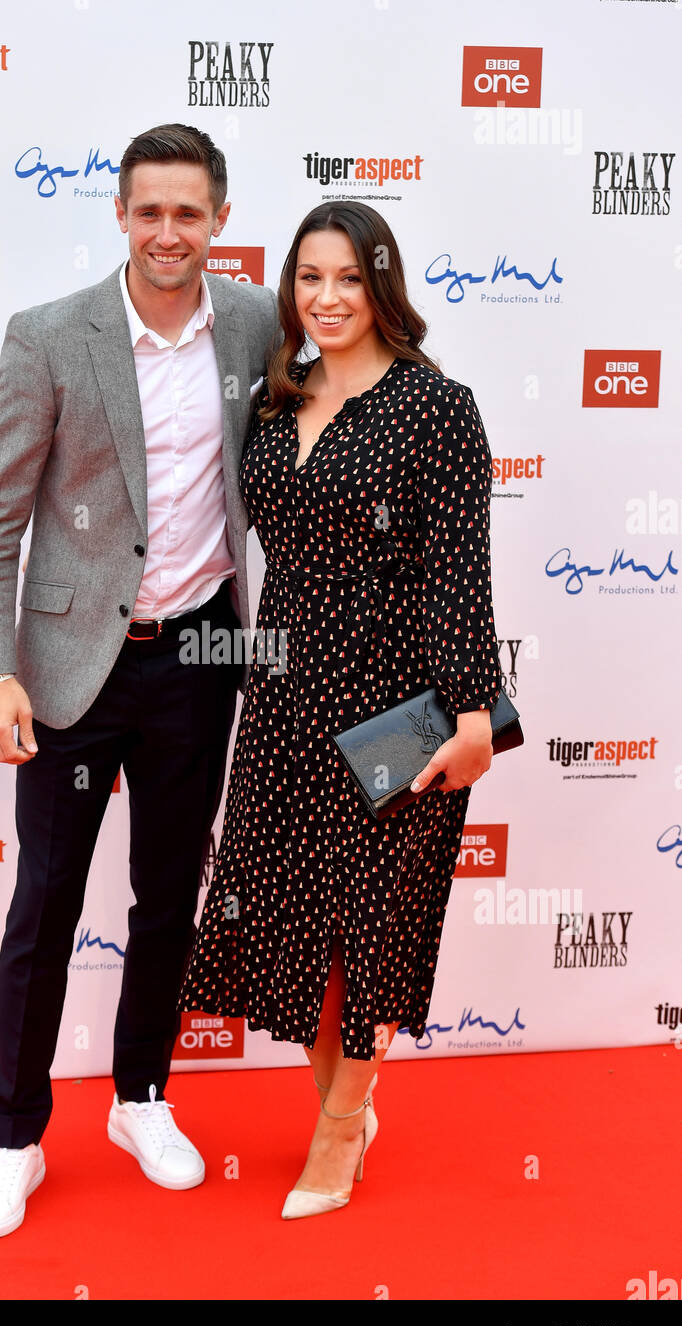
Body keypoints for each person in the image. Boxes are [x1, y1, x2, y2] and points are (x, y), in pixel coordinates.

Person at [0, 123, 277, 1238]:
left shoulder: (254, 323)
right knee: (44, 904)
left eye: (189, 212)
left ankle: (142, 1096)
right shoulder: (49, 338)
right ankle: (14, 1136)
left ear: (220, 221)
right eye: (150, 210)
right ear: (120, 215)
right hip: (69, 668)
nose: (168, 231)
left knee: (166, 896)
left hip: (199, 658)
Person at [178, 200, 503, 1220]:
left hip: (396, 702)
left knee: (371, 920)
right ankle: (346, 1106)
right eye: (307, 280)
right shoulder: (278, 401)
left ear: (381, 285)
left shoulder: (436, 408)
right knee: (289, 916)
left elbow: (459, 569)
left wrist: (473, 714)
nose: (326, 299)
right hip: (281, 697)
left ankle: (333, 1129)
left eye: (347, 280)